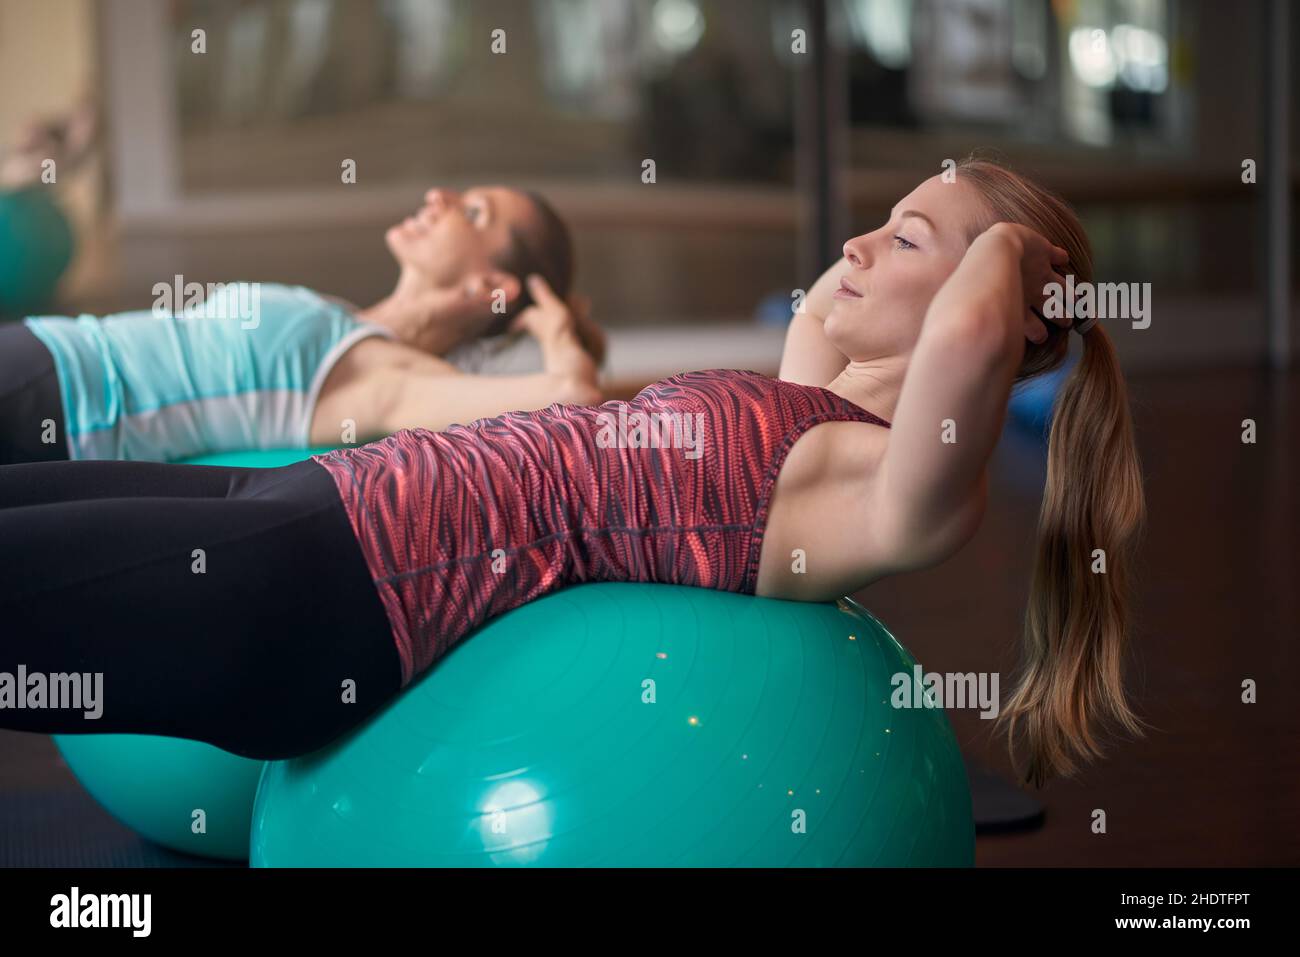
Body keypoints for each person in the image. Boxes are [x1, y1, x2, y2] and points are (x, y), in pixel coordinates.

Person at [0, 158, 1145, 788]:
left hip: (332, 586)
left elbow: (969, 348)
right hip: (308, 505)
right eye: (881, 221)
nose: (855, 245)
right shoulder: (812, 402)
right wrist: (941, 239)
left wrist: (1011, 253)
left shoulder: (887, 493)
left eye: (905, 240)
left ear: (985, 303)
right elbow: (863, 321)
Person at [0, 185, 604, 464]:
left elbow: (572, 394)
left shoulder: (390, 375)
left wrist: (552, 329)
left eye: (475, 213)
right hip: (55, 347)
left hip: (66, 401)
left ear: (490, 289)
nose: (437, 196)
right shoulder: (346, 317)